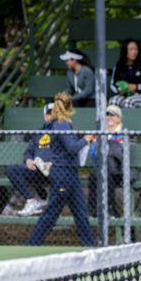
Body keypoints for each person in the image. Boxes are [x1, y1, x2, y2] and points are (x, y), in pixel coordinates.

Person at [24, 92, 95, 246]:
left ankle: (90, 246)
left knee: (81, 213)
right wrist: (85, 139)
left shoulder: (62, 123)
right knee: (51, 214)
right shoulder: (60, 123)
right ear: (69, 106)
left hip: (70, 173)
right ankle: (30, 244)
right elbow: (71, 147)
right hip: (62, 173)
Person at [3, 104, 53, 216]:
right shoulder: (38, 133)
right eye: (49, 113)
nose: (52, 116)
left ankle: (44, 200)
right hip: (37, 171)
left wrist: (52, 163)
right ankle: (32, 200)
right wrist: (28, 160)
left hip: (54, 171)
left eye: (55, 113)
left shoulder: (62, 132)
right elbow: (28, 152)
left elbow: (66, 153)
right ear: (45, 116)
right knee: (11, 169)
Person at [87, 104, 126, 217]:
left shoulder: (123, 133)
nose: (109, 117)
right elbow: (93, 153)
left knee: (105, 174)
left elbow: (123, 155)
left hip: (117, 171)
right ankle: (101, 209)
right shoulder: (99, 133)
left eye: (113, 115)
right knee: (96, 175)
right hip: (100, 169)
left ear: (118, 118)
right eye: (107, 115)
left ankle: (105, 208)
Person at [109, 39, 141, 109]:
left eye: (136, 49)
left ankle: (131, 120)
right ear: (125, 51)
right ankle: (114, 120)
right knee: (113, 101)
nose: (134, 52)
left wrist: (136, 87)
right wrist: (118, 90)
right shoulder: (119, 66)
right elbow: (112, 84)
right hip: (124, 95)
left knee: (128, 102)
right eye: (131, 49)